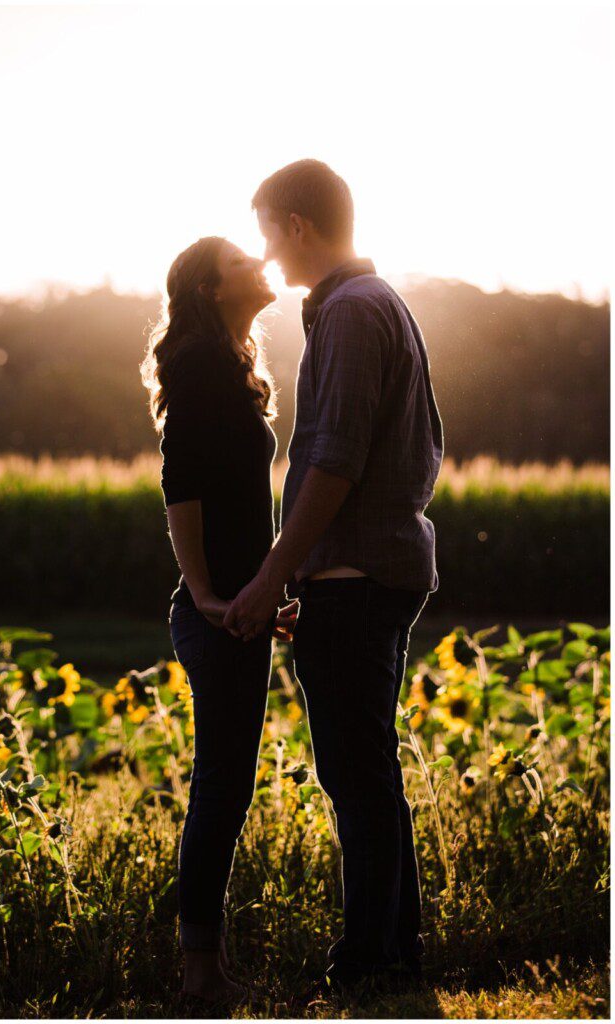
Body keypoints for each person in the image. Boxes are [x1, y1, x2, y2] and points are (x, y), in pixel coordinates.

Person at [224, 159, 444, 996]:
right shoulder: (371, 305)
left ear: (297, 226)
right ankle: (393, 951)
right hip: (364, 569)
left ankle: (366, 961)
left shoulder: (351, 315)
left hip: (358, 572)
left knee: (353, 770)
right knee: (367, 766)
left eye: (268, 234)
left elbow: (333, 463)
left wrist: (273, 576)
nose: (266, 256)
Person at [140, 236, 298, 1005]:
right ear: (209, 287)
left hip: (241, 606)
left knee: (227, 786)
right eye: (244, 261)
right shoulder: (204, 371)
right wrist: (206, 595)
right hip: (219, 613)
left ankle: (209, 966)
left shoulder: (234, 371)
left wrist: (268, 585)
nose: (262, 265)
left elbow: (240, 505)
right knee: (220, 788)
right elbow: (183, 487)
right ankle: (199, 972)